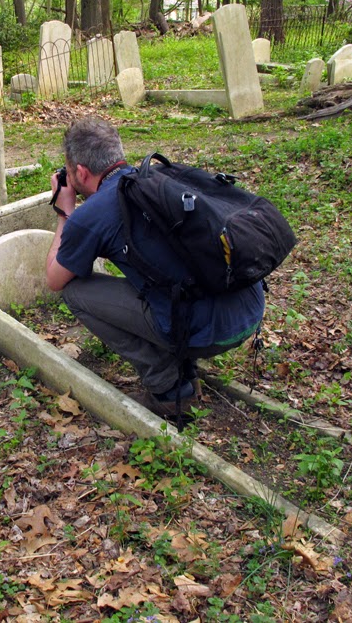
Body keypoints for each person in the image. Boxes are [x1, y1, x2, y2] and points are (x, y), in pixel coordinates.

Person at [45, 117, 265, 419]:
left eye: (69, 171)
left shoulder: (91, 216)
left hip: (210, 333)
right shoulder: (160, 178)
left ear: (80, 172)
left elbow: (55, 279)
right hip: (250, 312)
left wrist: (64, 212)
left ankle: (169, 389)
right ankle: (184, 361)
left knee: (75, 291)